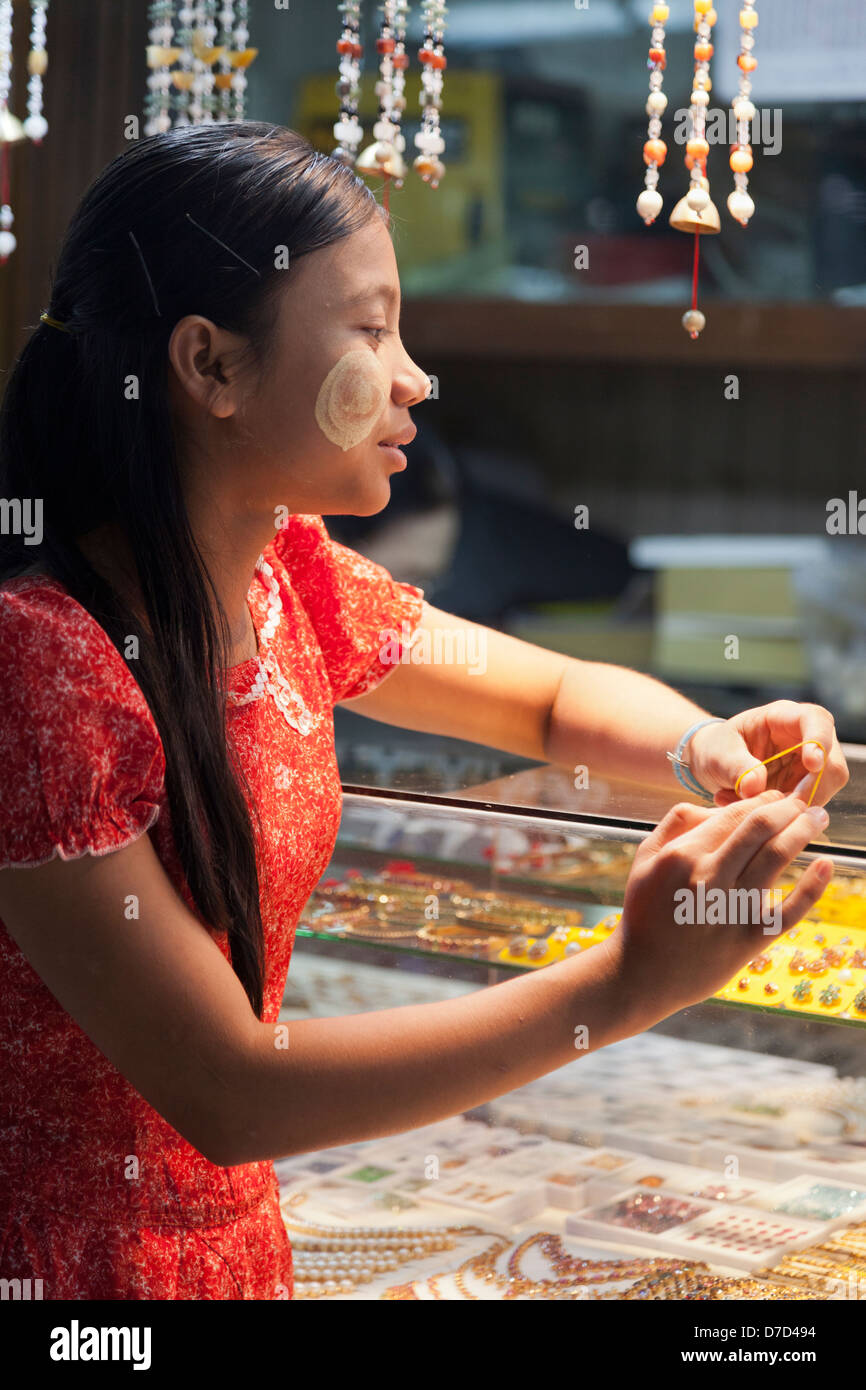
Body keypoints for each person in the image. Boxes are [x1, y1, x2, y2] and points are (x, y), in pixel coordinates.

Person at [0, 123, 848, 1301]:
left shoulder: (285, 574)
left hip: (233, 1252)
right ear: (210, 367)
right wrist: (626, 984)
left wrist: (699, 743)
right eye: (368, 328)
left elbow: (551, 698)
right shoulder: (45, 667)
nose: (414, 377)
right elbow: (230, 1090)